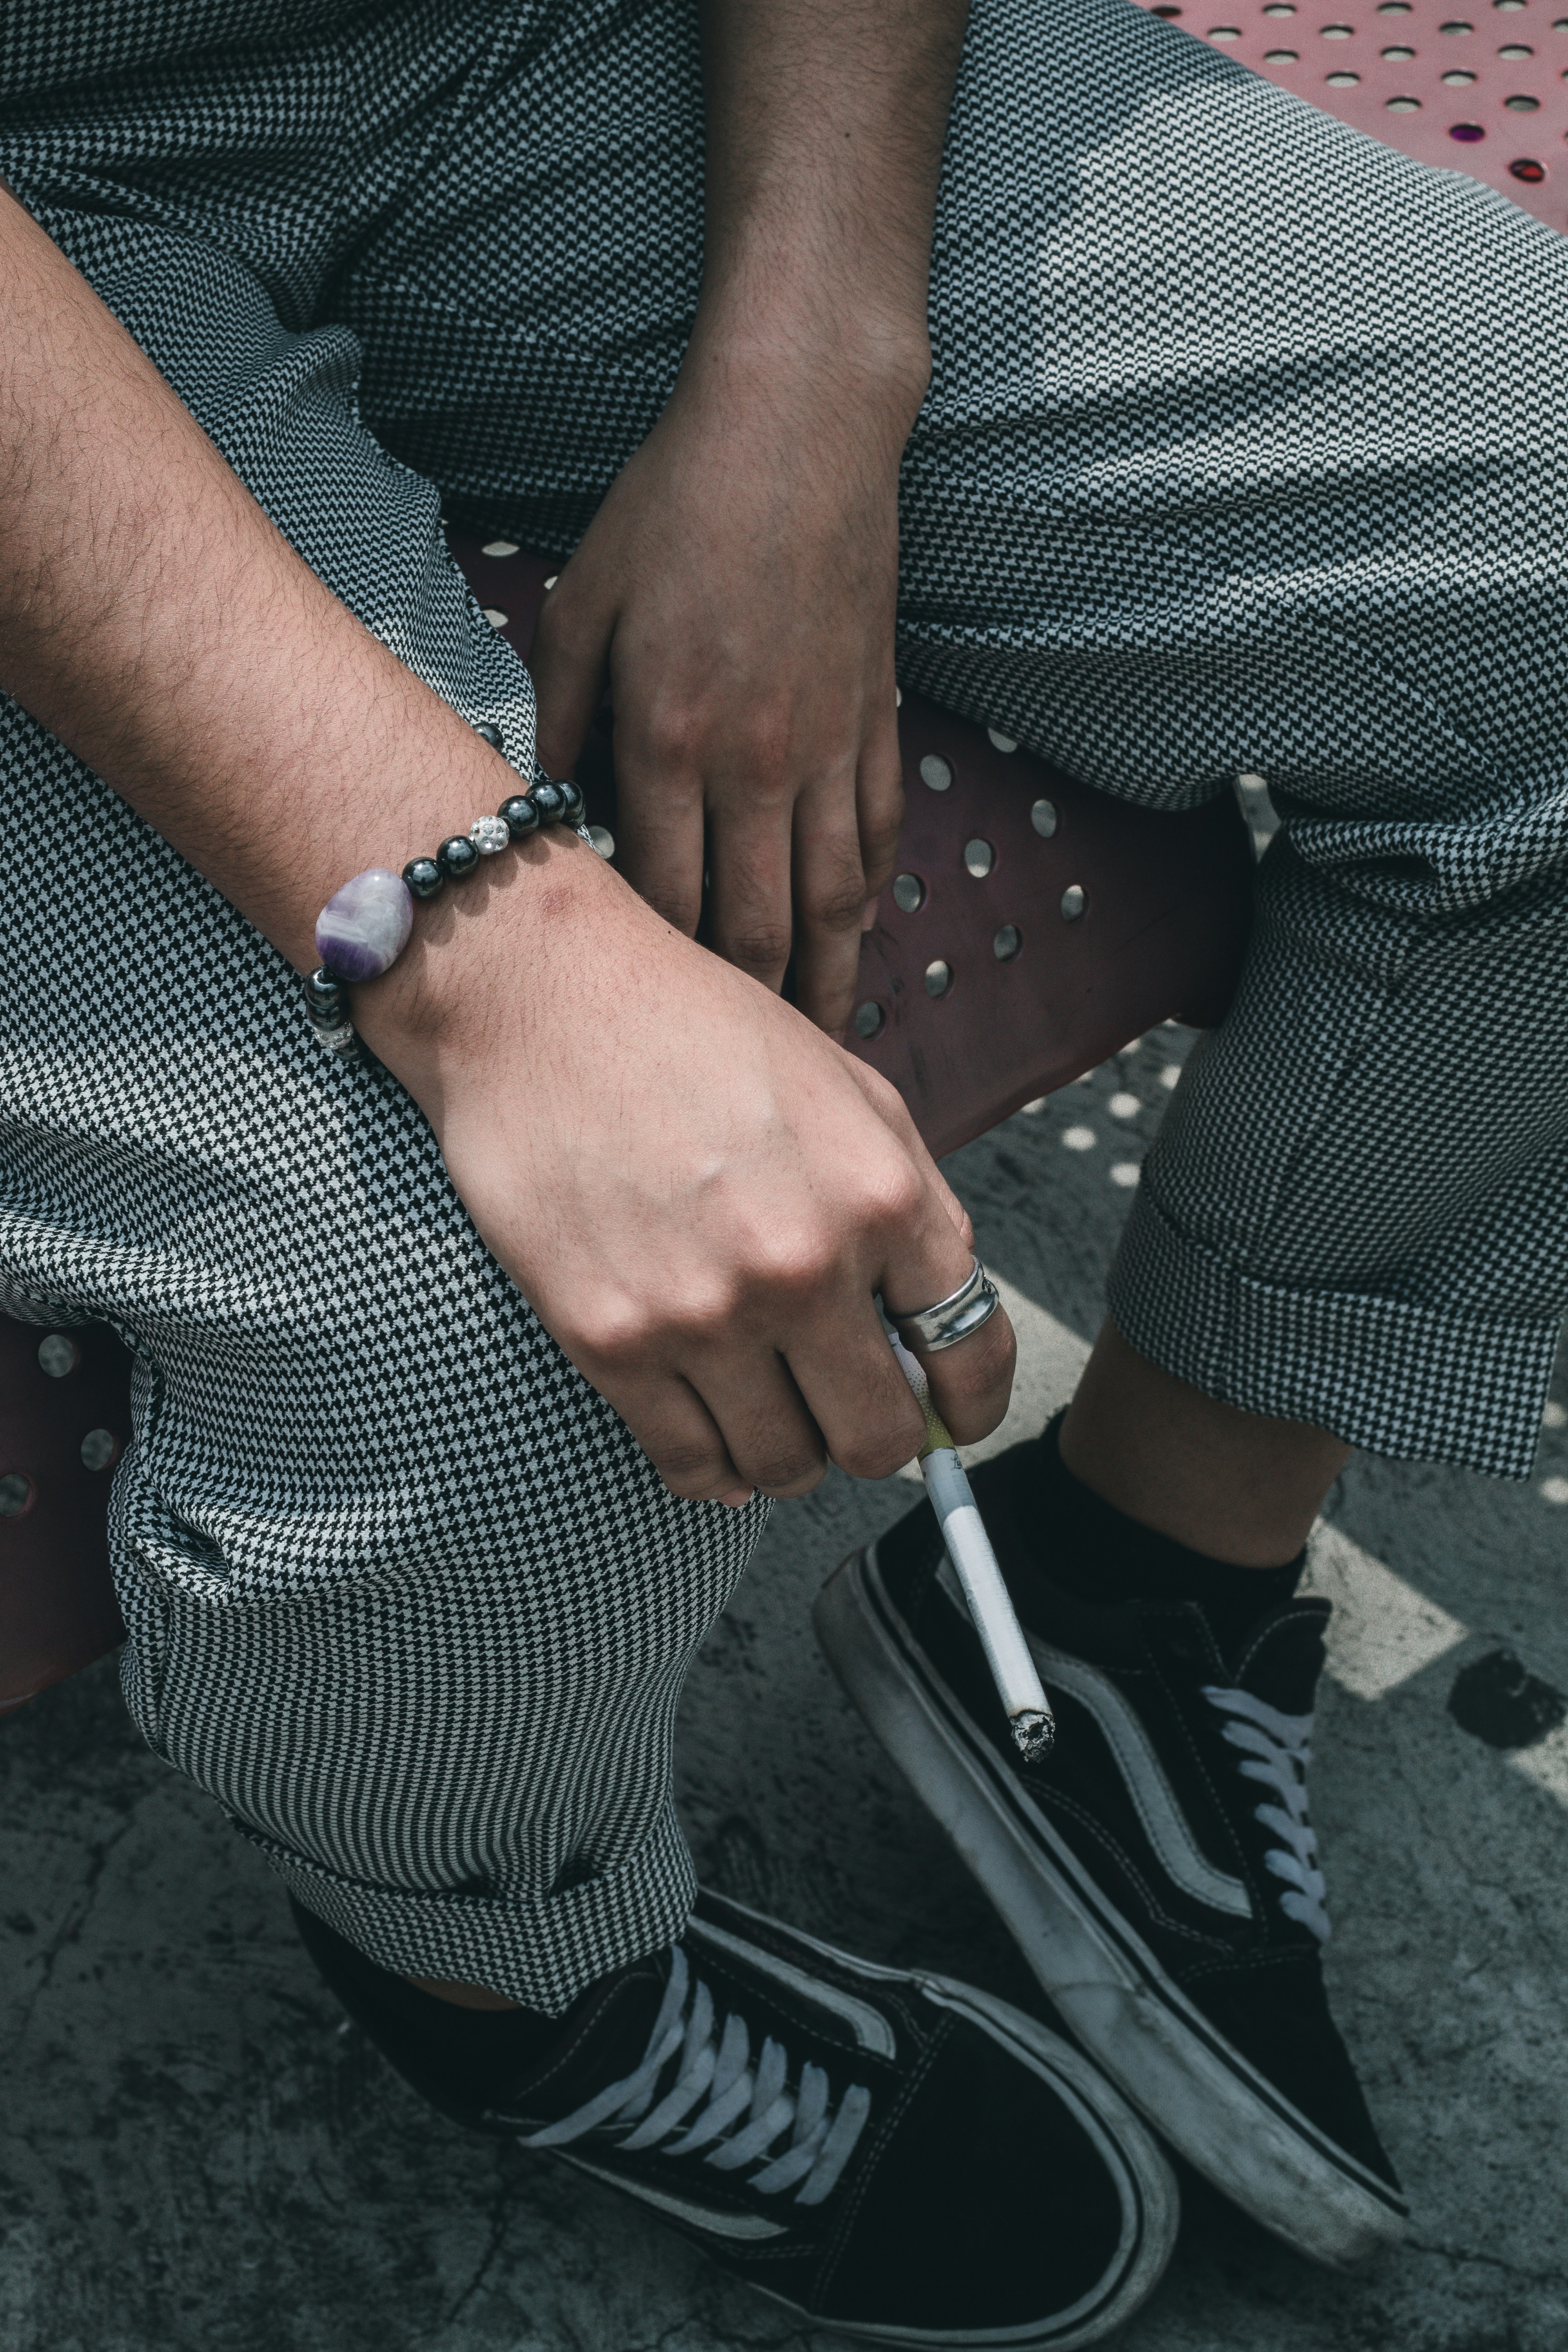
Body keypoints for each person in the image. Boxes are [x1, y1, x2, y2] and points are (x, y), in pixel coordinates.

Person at [3, 0, 1566, 2336]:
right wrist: (483, 942)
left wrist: (812, 370)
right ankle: (515, 1979)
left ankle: (1140, 1573)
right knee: (496, 1335)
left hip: (536, 49)